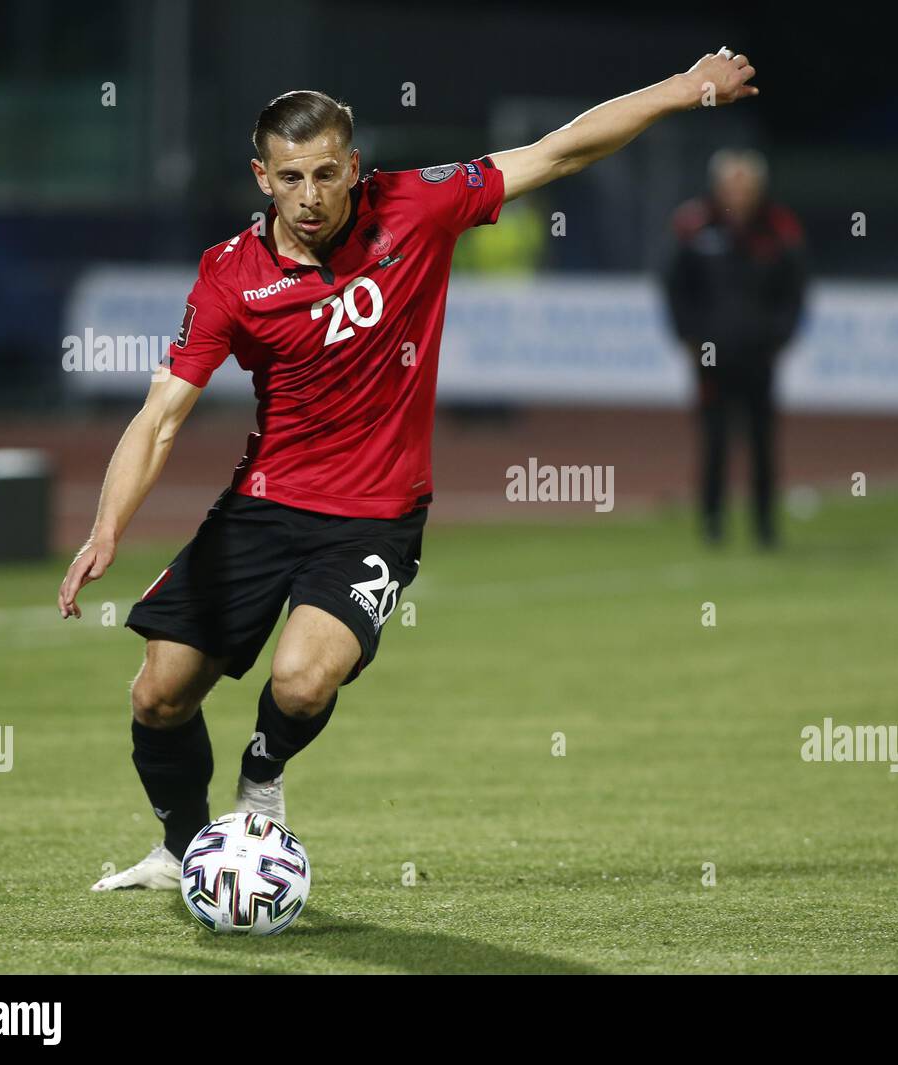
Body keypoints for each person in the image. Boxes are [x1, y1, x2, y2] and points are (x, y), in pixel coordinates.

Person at [58, 48, 760, 891]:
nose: (311, 195)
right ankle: (182, 847)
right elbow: (161, 414)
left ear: (354, 166)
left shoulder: (417, 207)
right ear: (261, 177)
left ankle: (260, 780)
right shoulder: (229, 277)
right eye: (290, 177)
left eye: (326, 173)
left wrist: (683, 90)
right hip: (262, 506)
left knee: (304, 676)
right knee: (158, 693)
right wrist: (108, 528)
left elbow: (557, 151)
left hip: (375, 517)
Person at [664, 148, 807, 547]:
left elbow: (795, 292)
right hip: (711, 355)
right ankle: (712, 525)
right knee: (714, 439)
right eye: (732, 183)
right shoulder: (694, 225)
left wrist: (780, 337)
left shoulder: (779, 228)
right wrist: (688, 337)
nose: (738, 192)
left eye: (745, 183)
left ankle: (765, 527)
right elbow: (676, 289)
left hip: (759, 354)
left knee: (763, 441)